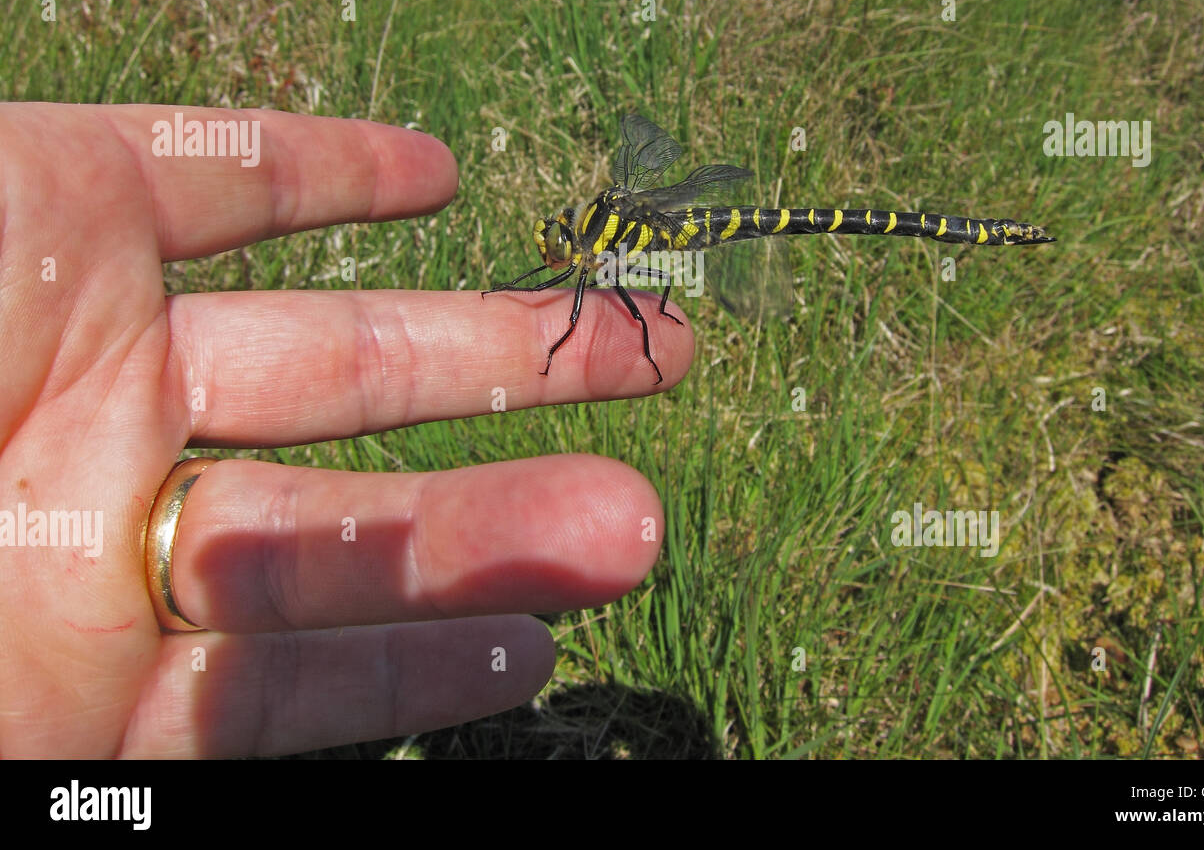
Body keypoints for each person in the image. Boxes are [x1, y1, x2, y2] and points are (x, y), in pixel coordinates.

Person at [0, 102, 691, 757]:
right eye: (562, 238)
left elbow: (586, 306)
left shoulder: (614, 245)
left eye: (564, 240)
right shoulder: (592, 241)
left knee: (619, 315)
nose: (559, 245)